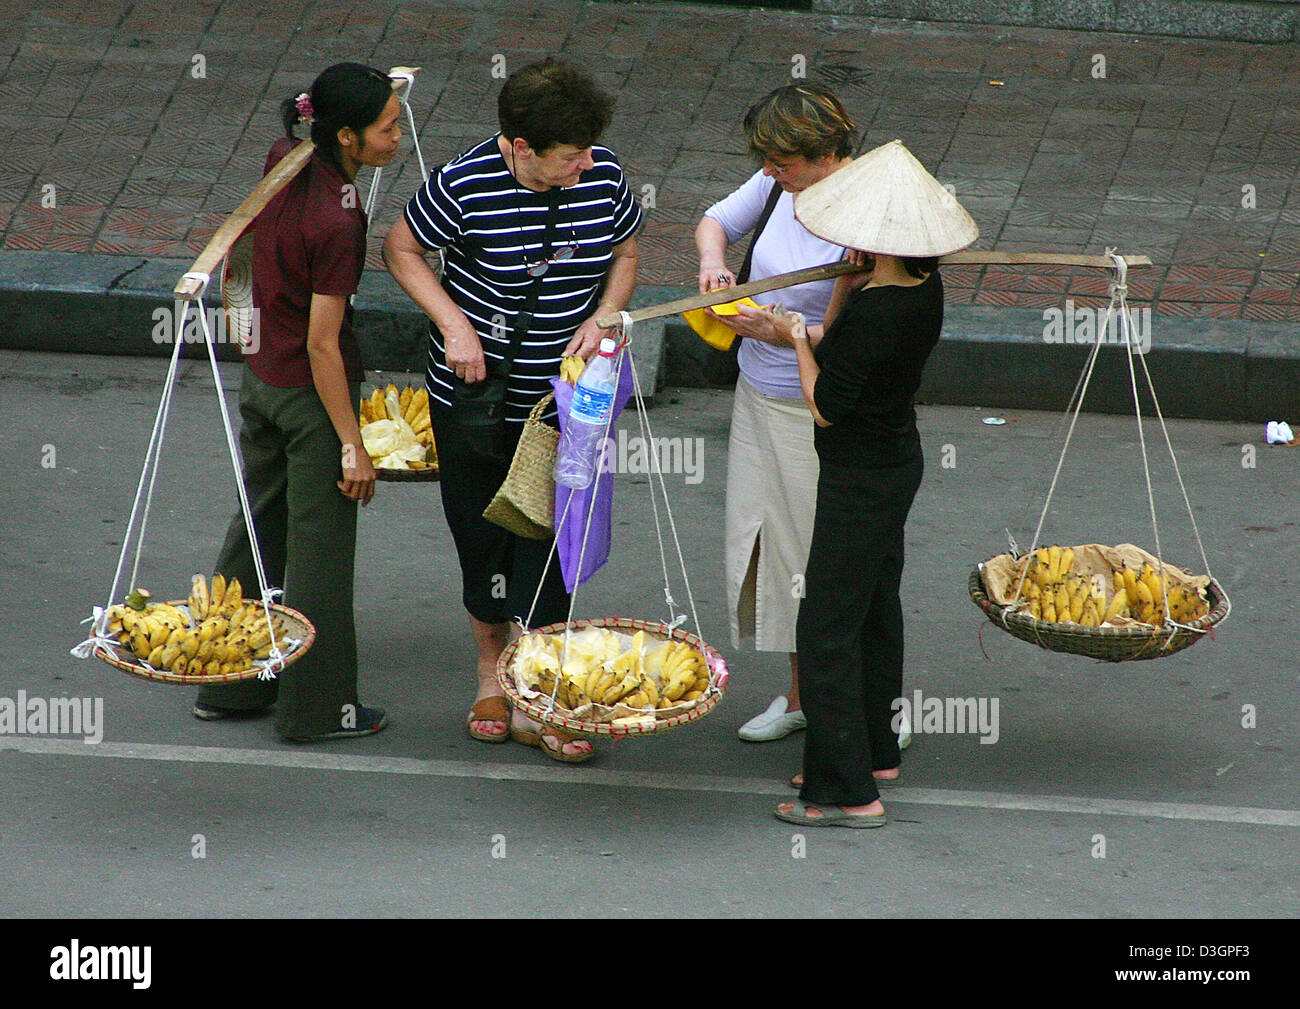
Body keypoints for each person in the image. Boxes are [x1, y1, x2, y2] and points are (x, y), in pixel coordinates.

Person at [383, 58, 641, 763]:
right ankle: (490, 674)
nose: (586, 166)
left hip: (564, 404)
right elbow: (401, 248)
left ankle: (539, 689)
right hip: (474, 401)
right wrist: (454, 325)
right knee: (483, 539)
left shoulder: (602, 173)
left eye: (588, 151)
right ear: (523, 147)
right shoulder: (462, 184)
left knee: (551, 544)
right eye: (570, 156)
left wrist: (606, 313)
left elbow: (625, 251)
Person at [770, 139, 977, 827]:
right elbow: (846, 341)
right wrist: (841, 291)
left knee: (826, 626)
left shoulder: (881, 310)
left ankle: (846, 791)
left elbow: (827, 401)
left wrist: (796, 339)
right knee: (875, 608)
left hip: (859, 478)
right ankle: (876, 748)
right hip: (893, 463)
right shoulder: (917, 289)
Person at [193, 63, 401, 740]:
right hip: (311, 397)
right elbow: (323, 345)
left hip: (263, 380)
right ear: (346, 135)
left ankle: (224, 684)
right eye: (387, 128)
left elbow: (247, 248)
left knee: (255, 530)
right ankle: (317, 708)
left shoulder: (287, 155)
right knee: (319, 557)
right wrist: (352, 445)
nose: (397, 139)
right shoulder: (339, 226)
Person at [692, 83, 855, 742]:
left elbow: (857, 336)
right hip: (756, 396)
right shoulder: (776, 186)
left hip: (814, 411)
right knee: (772, 547)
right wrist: (713, 267)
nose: (768, 171)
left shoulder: (862, 218)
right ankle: (800, 692)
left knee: (824, 560)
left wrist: (782, 333)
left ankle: (864, 705)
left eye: (781, 162)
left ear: (822, 154)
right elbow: (715, 221)